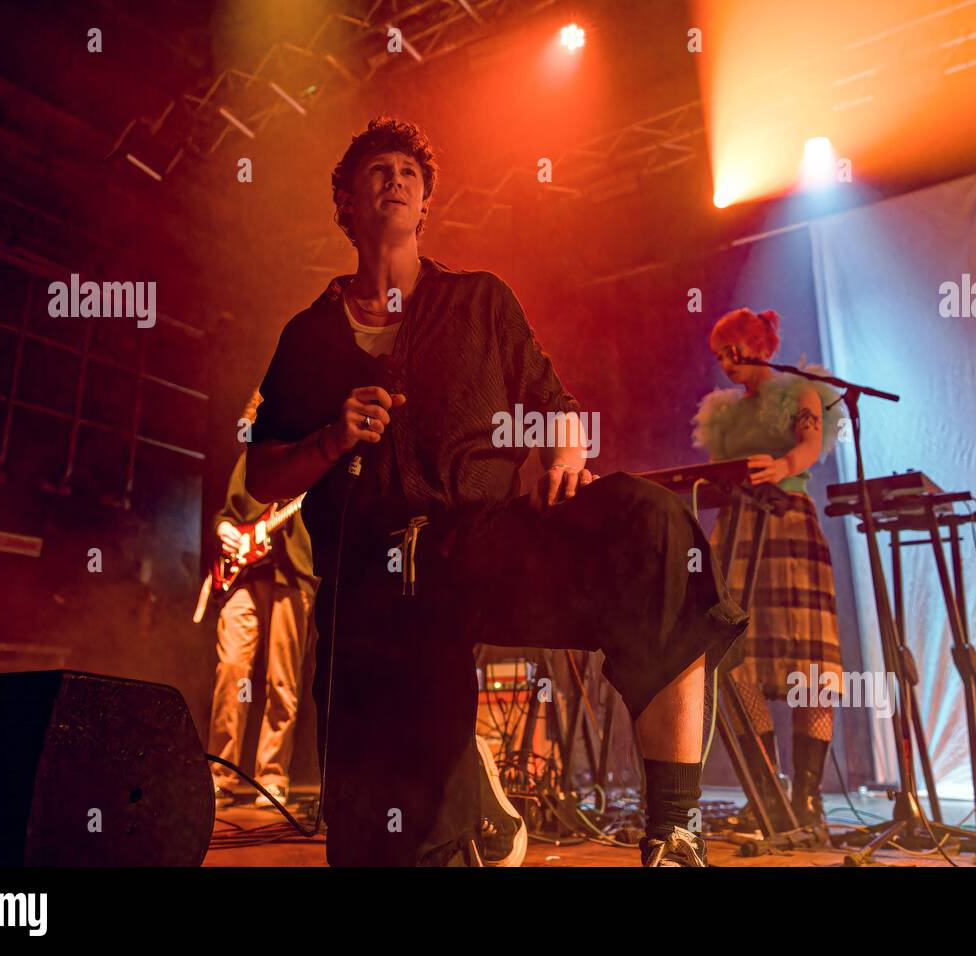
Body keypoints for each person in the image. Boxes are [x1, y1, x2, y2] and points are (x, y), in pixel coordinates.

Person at [245, 116, 748, 866]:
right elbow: (261, 477)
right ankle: (472, 803)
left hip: (474, 542)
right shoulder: (304, 338)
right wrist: (329, 438)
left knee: (654, 529)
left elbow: (557, 408)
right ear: (345, 204)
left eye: (410, 174)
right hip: (368, 591)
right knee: (388, 848)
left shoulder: (479, 301)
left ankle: (674, 829)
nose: (396, 180)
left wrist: (564, 458)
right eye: (377, 171)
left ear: (424, 208)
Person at [692, 308, 846, 838]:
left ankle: (807, 801)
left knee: (809, 663)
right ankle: (770, 797)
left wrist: (783, 467)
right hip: (737, 531)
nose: (724, 364)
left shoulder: (801, 393)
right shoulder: (724, 414)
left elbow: (807, 445)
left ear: (753, 345)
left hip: (788, 526)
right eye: (718, 355)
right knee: (738, 664)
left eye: (730, 350)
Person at [207, 394, 318, 810]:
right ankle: (220, 774)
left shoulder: (311, 454)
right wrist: (224, 532)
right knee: (231, 669)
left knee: (282, 681)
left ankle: (272, 776)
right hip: (244, 578)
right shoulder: (247, 463)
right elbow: (226, 513)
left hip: (292, 575)